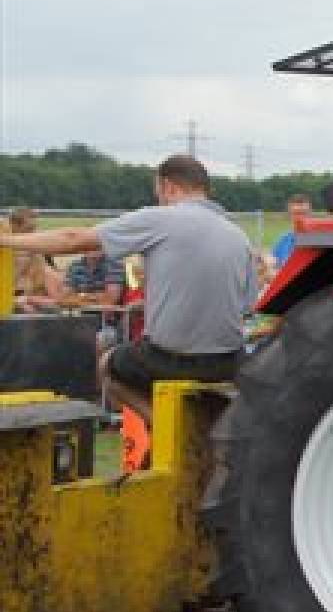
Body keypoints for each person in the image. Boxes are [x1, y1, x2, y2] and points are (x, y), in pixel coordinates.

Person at [5, 155, 256, 424]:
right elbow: (247, 307)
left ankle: (166, 428)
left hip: (170, 359)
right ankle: (194, 429)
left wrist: (7, 240)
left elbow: (73, 239)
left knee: (107, 365)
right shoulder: (239, 237)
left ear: (168, 186)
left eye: (158, 193)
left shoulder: (159, 219)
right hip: (229, 362)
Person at [8, 206, 66, 311]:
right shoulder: (5, 255)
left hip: (35, 304)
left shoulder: (41, 253)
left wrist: (29, 300)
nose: (34, 234)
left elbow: (58, 295)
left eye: (34, 229)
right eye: (29, 229)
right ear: (13, 228)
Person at [268, 194, 311, 268]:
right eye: (296, 214)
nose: (299, 218)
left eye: (303, 213)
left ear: (309, 214)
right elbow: (272, 261)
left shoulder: (318, 241)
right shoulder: (284, 240)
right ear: (290, 215)